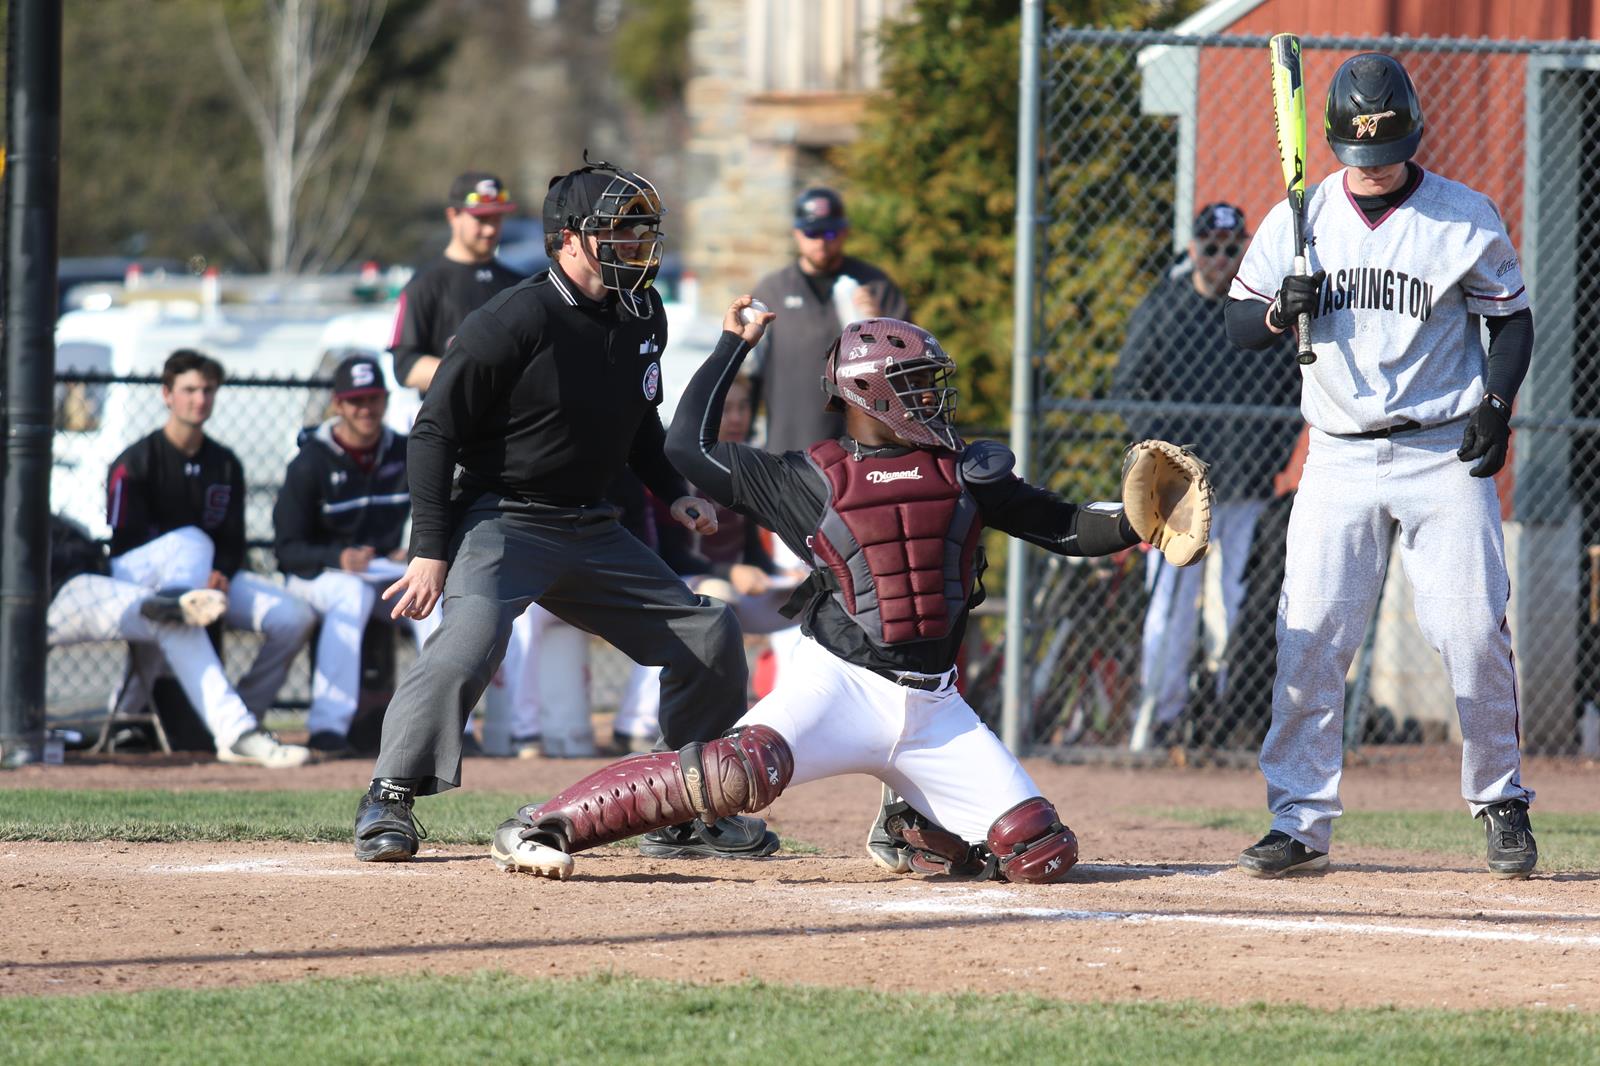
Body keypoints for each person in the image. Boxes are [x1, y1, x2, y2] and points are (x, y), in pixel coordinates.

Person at [486, 304, 1152, 883]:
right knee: (738, 774)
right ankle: (544, 824)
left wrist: (1134, 522)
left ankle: (910, 826)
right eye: (916, 386)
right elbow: (688, 448)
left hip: (937, 706)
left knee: (1040, 854)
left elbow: (1063, 526)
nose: (934, 400)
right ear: (869, 391)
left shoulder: (965, 471)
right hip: (842, 685)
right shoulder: (812, 477)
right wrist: (732, 346)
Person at [351, 158, 769, 865]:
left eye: (642, 231)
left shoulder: (643, 311)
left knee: (709, 634)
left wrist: (674, 493)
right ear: (568, 239)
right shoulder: (513, 317)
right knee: (470, 638)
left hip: (592, 525)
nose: (637, 245)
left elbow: (639, 425)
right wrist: (430, 547)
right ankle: (387, 798)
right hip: (504, 519)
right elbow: (433, 430)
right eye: (619, 231)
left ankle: (687, 806)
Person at [1225, 53, 1537, 879]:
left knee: (1472, 634)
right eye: (1359, 155)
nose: (1374, 168)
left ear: (1413, 136)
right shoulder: (1300, 218)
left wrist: (1497, 407)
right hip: (1337, 453)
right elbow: (1236, 326)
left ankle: (1501, 798)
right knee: (1313, 639)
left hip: (1441, 449)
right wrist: (1274, 312)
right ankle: (1298, 822)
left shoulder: (1463, 216)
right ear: (1331, 146)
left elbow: (1512, 325)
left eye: (1388, 151)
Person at [1113, 203, 1299, 748]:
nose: (1221, 258)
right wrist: (1165, 454)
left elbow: (1291, 394)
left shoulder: (1254, 312)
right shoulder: (1164, 308)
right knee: (1169, 599)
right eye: (1211, 248)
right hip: (1177, 488)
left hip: (1244, 482)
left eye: (1231, 248)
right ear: (1194, 249)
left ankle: (1231, 711)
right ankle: (1161, 712)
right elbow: (1129, 386)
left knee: (1236, 598)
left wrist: (1270, 457)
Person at [107, 349, 316, 763]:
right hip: (139, 580)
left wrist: (221, 572)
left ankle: (242, 714)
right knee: (189, 546)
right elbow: (123, 543)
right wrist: (193, 574)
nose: (199, 399)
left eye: (207, 390)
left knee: (295, 616)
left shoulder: (224, 463)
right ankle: (133, 712)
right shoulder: (134, 461)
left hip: (208, 581)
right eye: (188, 390)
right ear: (167, 394)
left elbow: (234, 539)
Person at [611, 373, 798, 749]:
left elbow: (752, 552)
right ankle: (635, 722)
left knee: (809, 602)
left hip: (731, 585)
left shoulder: (743, 464)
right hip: (679, 581)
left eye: (743, 407)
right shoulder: (679, 464)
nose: (736, 417)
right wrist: (730, 572)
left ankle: (788, 720)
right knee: (714, 599)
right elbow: (670, 552)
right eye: (726, 408)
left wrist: (779, 574)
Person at [273, 354, 441, 758]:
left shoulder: (405, 451)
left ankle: (450, 726)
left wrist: (414, 548)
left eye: (373, 399)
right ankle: (328, 728)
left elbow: (435, 509)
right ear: (337, 404)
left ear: (385, 401)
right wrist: (338, 556)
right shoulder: (311, 462)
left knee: (432, 598)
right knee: (351, 594)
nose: (365, 409)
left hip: (381, 572)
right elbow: (286, 550)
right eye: (355, 401)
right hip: (318, 575)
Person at [50, 515, 310, 768]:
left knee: (193, 539)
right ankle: (236, 733)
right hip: (60, 590)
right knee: (174, 622)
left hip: (101, 568)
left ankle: (178, 594)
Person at [748, 187, 910, 455]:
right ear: (797, 233)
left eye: (830, 232)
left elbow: (907, 371)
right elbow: (747, 374)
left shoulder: (875, 286)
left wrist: (880, 325)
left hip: (863, 451)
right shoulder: (772, 291)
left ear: (844, 232)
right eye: (812, 233)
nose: (822, 241)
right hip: (791, 451)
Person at [389, 171, 523, 396]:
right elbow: (405, 366)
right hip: (454, 423)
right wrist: (474, 374)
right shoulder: (424, 284)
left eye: (496, 218)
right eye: (480, 219)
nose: (490, 229)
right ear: (453, 215)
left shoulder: (518, 284)